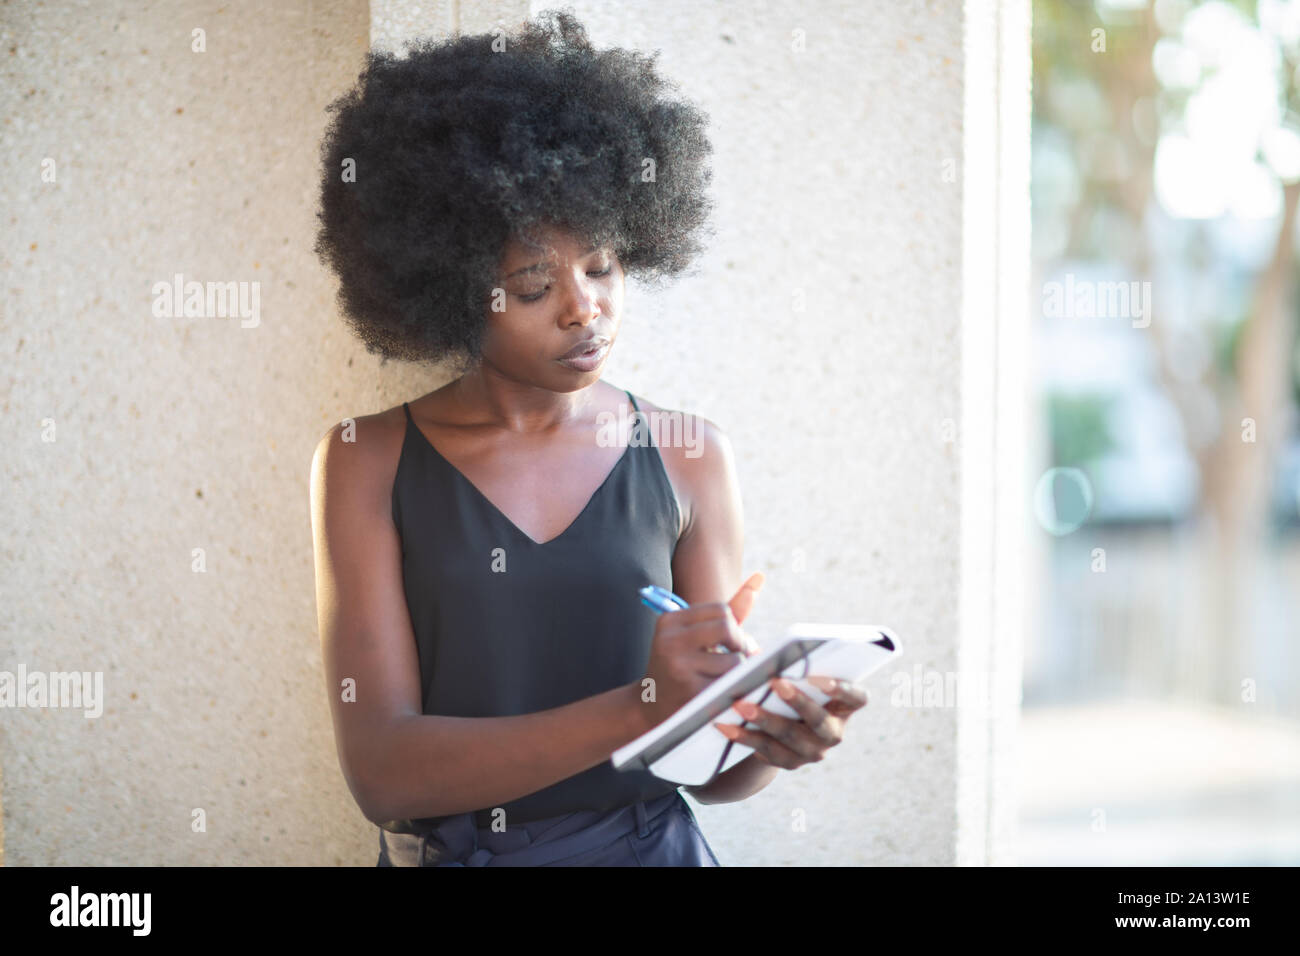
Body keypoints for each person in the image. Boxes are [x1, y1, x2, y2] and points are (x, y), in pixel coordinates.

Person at [308, 9, 868, 866]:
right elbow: (384, 775)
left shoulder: (689, 453)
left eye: (602, 266)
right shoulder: (366, 459)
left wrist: (764, 736)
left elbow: (709, 772)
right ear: (450, 290)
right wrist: (645, 704)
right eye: (533, 284)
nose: (584, 307)